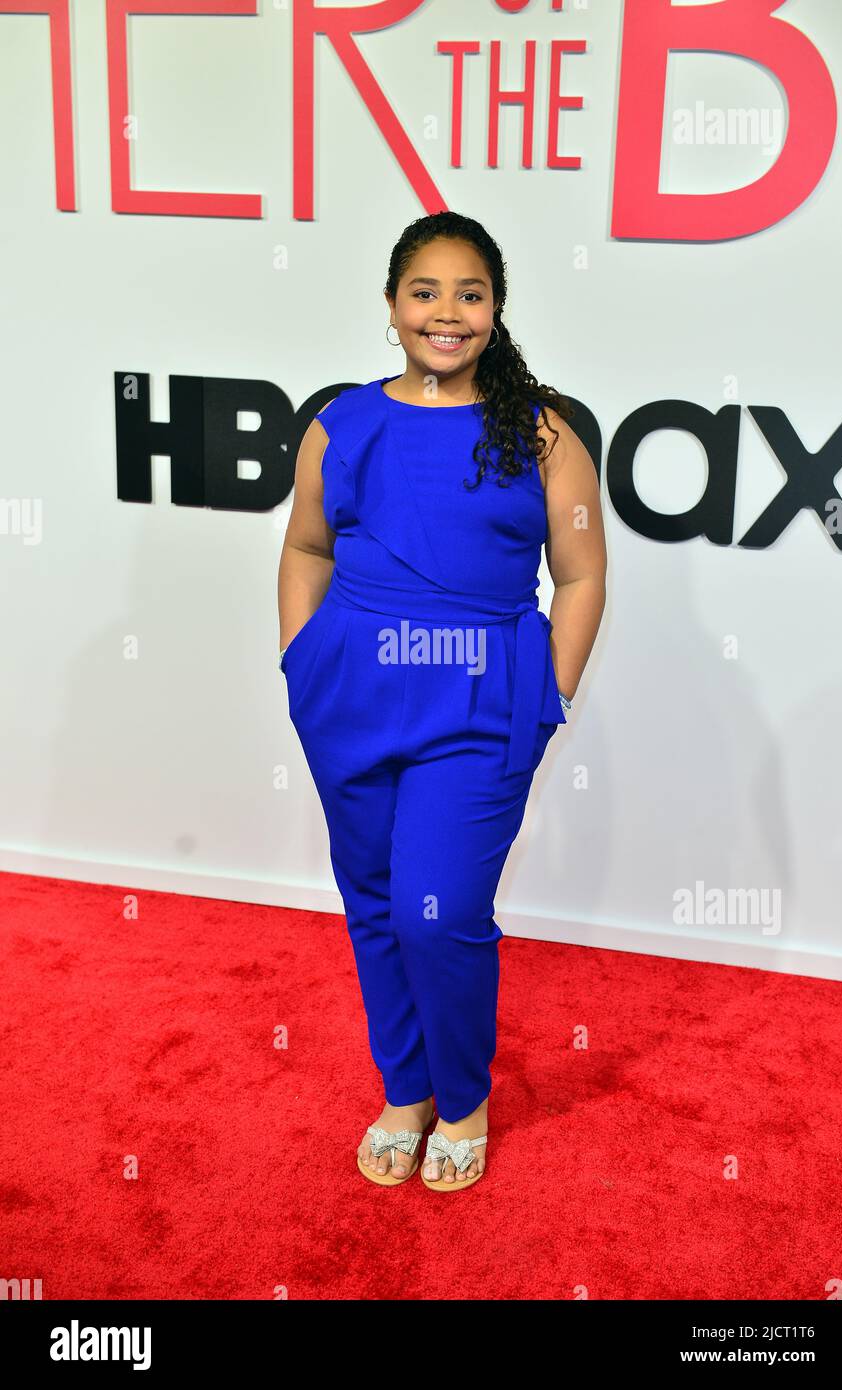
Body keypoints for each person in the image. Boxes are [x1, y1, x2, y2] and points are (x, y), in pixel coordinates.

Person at [276, 211, 606, 1191]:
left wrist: (546, 691)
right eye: (425, 292)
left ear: (496, 311)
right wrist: (300, 658)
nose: (446, 313)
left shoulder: (543, 433)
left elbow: (580, 575)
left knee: (439, 911)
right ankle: (404, 1086)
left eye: (470, 293)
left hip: (478, 705)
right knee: (375, 904)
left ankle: (462, 1097)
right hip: (348, 694)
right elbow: (303, 547)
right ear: (391, 307)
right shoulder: (342, 421)